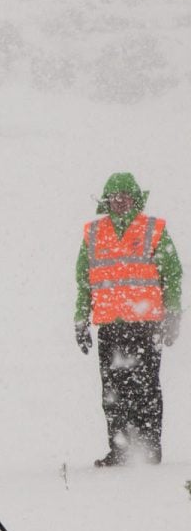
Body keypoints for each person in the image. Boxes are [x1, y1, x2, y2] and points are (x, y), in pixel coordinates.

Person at [75, 172, 181, 467]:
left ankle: (149, 450)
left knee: (146, 389)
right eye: (114, 198)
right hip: (110, 327)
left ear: (136, 199)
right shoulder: (94, 234)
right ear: (106, 201)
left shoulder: (153, 230)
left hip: (147, 326)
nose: (120, 202)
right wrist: (81, 319)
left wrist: (173, 314)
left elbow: (172, 276)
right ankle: (120, 450)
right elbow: (84, 282)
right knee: (113, 393)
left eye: (126, 197)